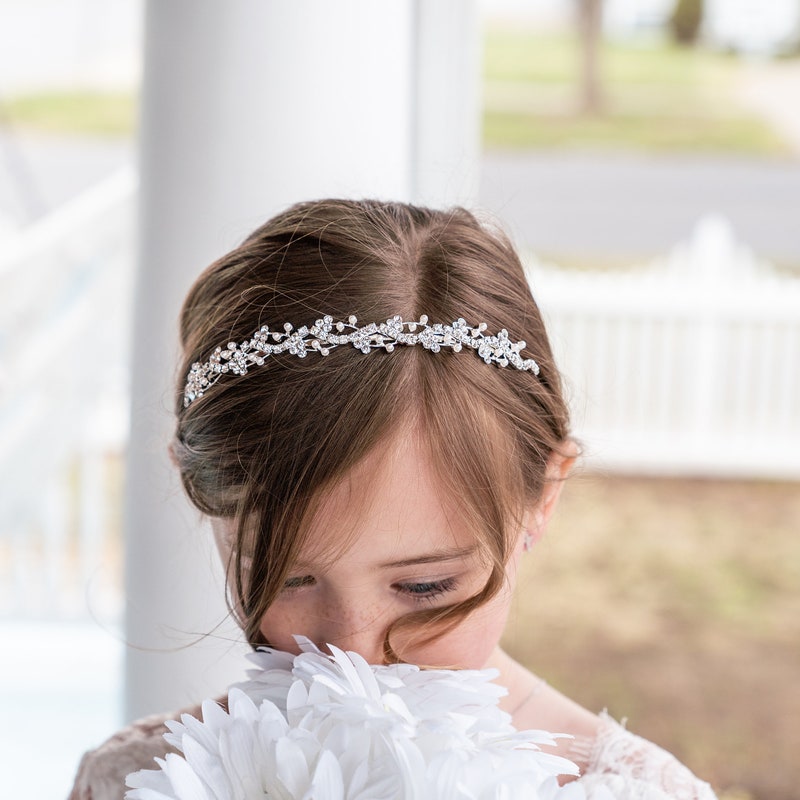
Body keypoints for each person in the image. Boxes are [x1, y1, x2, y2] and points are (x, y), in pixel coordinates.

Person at [69, 199, 717, 799]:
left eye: (425, 587)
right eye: (289, 578)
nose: (354, 651)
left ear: (542, 497)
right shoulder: (134, 780)